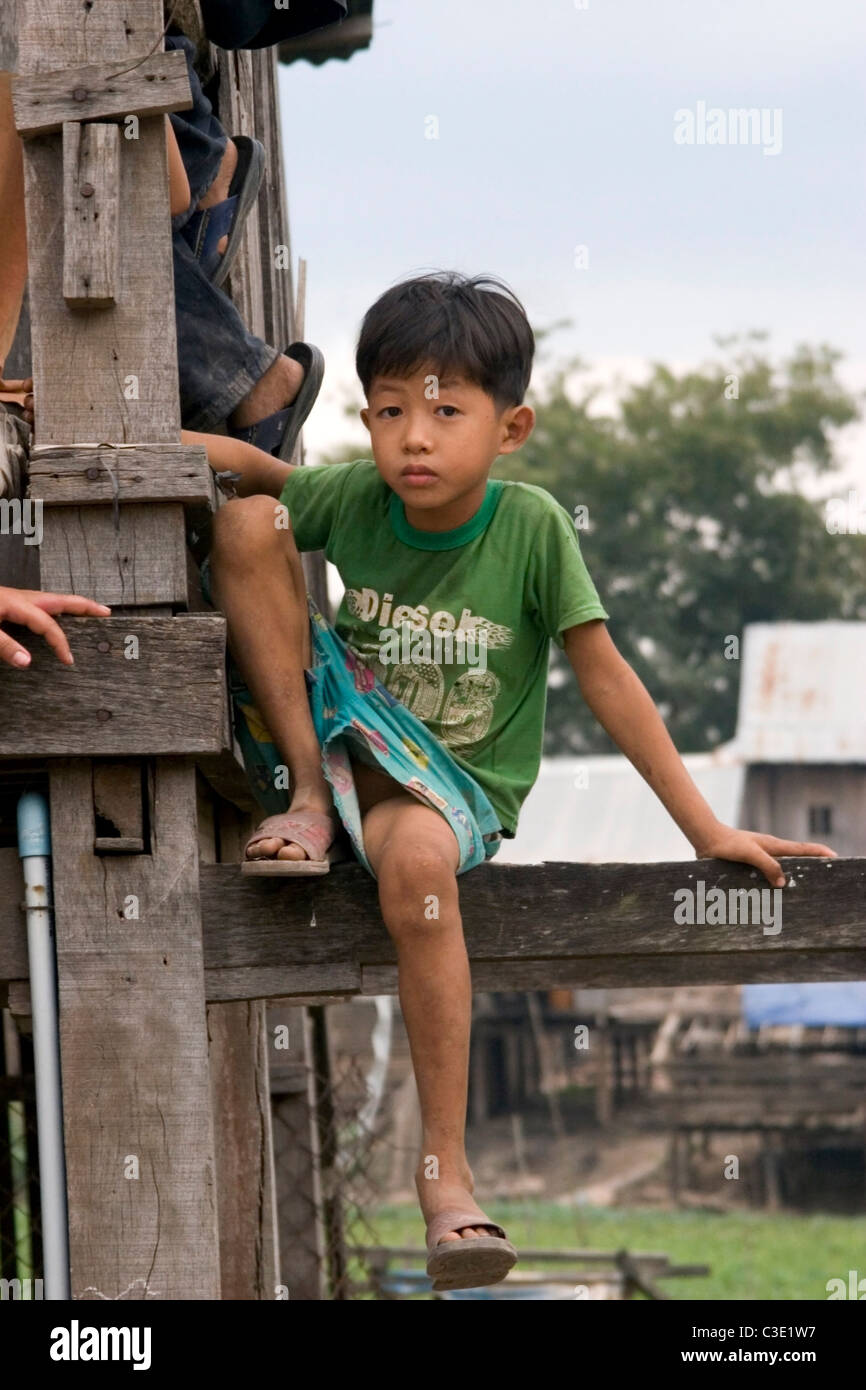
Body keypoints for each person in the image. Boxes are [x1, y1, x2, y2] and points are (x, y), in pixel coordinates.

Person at [205, 271, 838, 1290]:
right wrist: (137, 446)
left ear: (509, 428)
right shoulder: (354, 498)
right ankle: (310, 805)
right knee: (246, 524)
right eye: (390, 410)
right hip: (339, 741)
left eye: (447, 411)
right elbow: (248, 467)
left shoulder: (532, 527)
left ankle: (445, 1176)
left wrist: (701, 827)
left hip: (447, 783)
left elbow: (606, 676)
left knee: (414, 865)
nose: (414, 437)